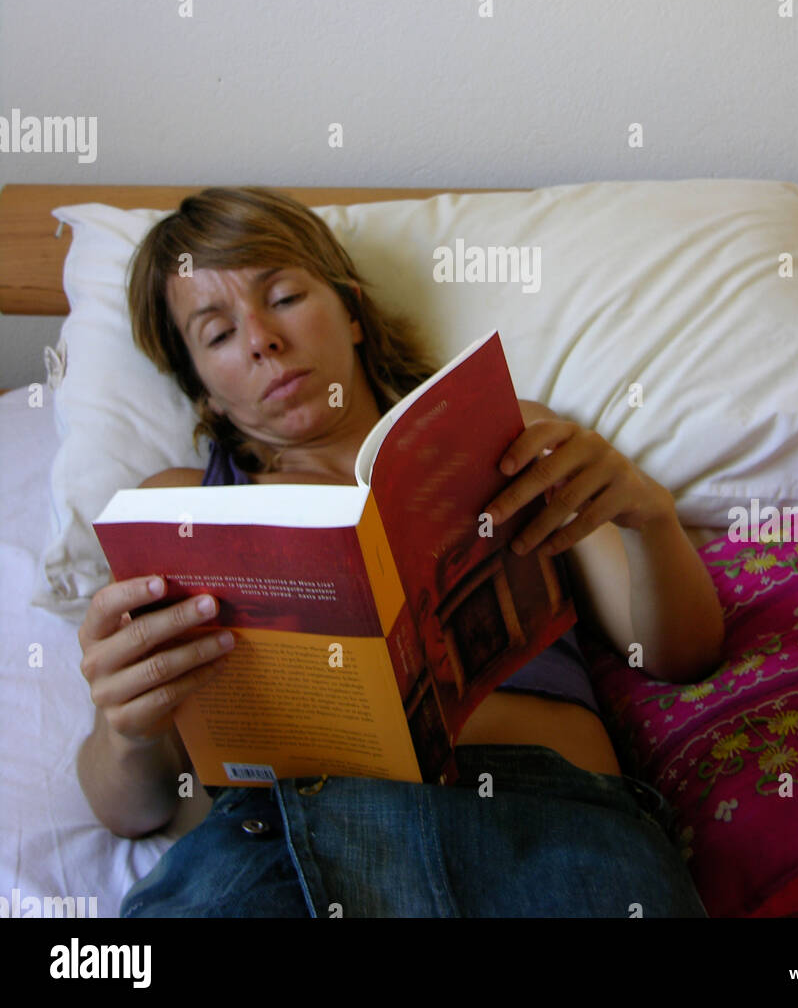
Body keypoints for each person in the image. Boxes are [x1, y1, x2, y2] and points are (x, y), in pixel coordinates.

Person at [76, 186, 724, 918]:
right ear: (205, 396)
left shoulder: (509, 434)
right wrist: (125, 727)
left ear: (353, 313)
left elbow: (678, 655)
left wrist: (651, 518)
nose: (260, 338)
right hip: (277, 844)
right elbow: (128, 813)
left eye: (284, 296)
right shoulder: (176, 511)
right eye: (218, 334)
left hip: (550, 824)